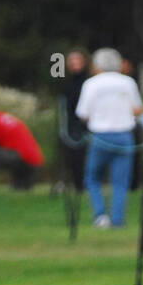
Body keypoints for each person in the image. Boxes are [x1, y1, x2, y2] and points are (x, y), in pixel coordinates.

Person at [75, 47, 143, 227]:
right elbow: (137, 110)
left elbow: (82, 113)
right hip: (124, 135)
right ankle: (118, 219)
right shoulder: (128, 82)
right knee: (121, 181)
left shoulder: (91, 84)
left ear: (97, 65)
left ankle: (100, 215)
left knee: (92, 178)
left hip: (100, 135)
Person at [60, 49, 90, 193]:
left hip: (88, 125)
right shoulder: (68, 84)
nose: (74, 64)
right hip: (73, 126)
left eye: (77, 61)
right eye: (71, 62)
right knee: (74, 155)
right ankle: (78, 184)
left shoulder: (89, 82)